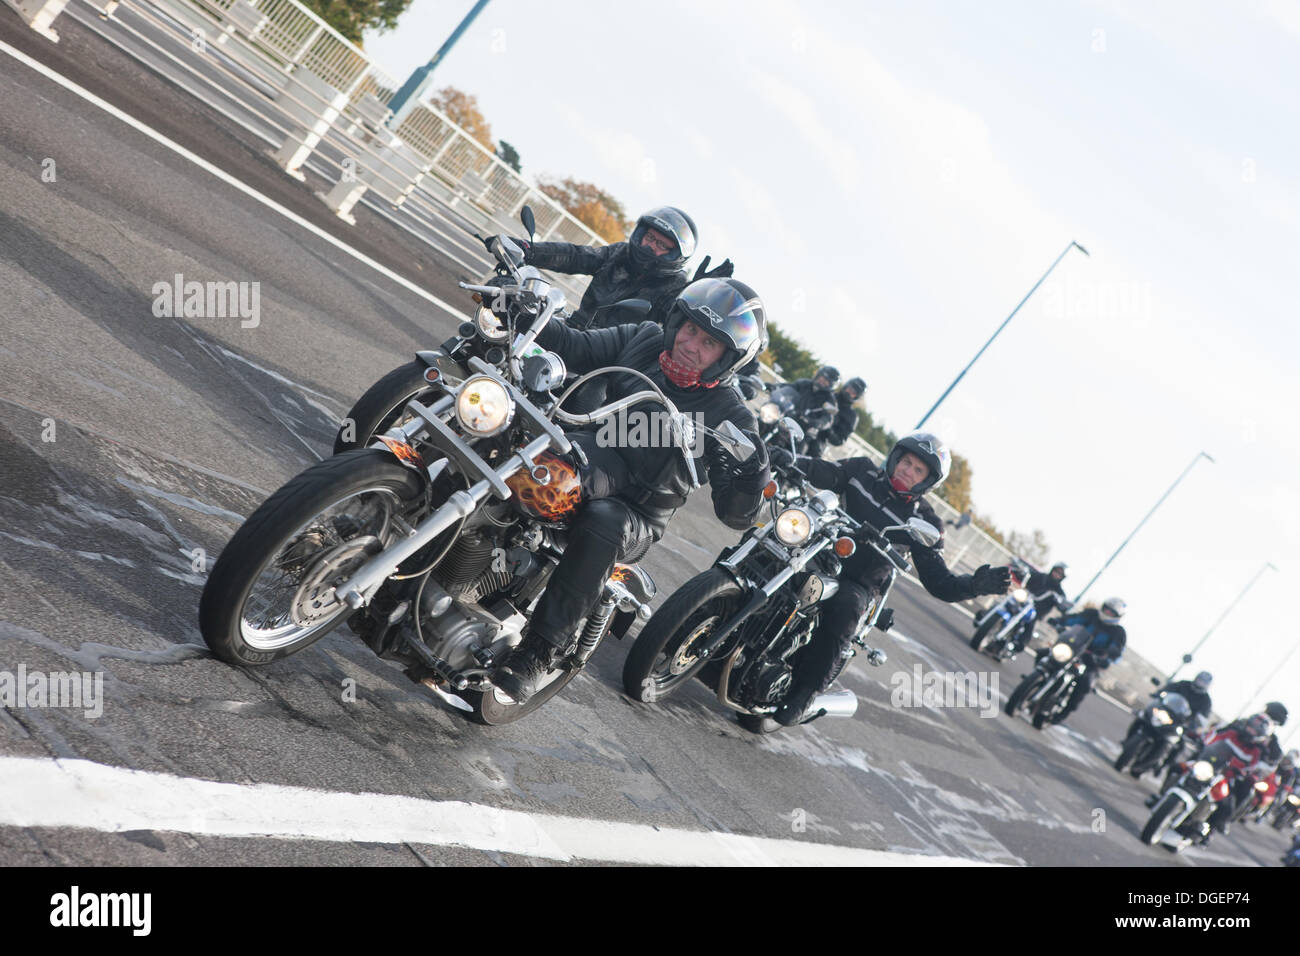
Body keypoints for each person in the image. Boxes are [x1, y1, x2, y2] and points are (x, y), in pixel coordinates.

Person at [492, 278, 771, 704]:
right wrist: (521, 307)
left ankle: (538, 652)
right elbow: (576, 343)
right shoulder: (642, 339)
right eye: (691, 329)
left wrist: (753, 469)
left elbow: (735, 515)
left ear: (726, 359)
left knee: (603, 522)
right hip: (586, 453)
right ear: (677, 321)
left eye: (709, 343)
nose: (690, 344)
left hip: (637, 511)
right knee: (509, 434)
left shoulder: (729, 415)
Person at [767, 433, 1012, 725]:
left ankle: (804, 694)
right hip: (819, 551)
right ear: (895, 458)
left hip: (858, 581)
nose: (908, 470)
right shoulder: (861, 471)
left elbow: (938, 581)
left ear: (927, 481)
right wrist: (788, 459)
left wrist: (973, 585)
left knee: (846, 607)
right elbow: (824, 470)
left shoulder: (925, 521)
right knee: (770, 544)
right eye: (906, 461)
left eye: (918, 470)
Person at [1046, 598, 1128, 721]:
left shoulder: (1119, 633)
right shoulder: (1091, 614)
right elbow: (1074, 618)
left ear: (1118, 616)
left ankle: (1065, 711)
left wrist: (1106, 659)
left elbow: (1117, 652)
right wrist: (1058, 621)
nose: (1108, 613)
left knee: (1085, 683)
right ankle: (1039, 679)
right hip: (1073, 649)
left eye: (1112, 612)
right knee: (1045, 654)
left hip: (1091, 662)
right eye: (1106, 609)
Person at [770, 365, 840, 456]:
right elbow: (789, 387)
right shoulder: (804, 384)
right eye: (822, 377)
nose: (822, 381)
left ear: (831, 385)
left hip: (804, 430)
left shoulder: (830, 400)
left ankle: (787, 467)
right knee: (766, 421)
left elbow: (827, 419)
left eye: (826, 381)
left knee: (797, 452)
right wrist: (774, 387)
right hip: (788, 417)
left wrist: (814, 422)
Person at [1007, 560, 1070, 653]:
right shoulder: (1039, 576)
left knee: (1030, 625)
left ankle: (1019, 645)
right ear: (1052, 570)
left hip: (1036, 612)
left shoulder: (1059, 592)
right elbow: (1026, 576)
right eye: (1056, 571)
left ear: (1063, 577)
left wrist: (1061, 603)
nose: (1057, 574)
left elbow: (1063, 606)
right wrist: (1020, 573)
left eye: (1060, 574)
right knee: (1008, 603)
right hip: (1022, 601)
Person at [806, 376, 866, 458]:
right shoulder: (828, 394)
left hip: (818, 440)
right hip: (804, 424)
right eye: (850, 389)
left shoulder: (851, 416)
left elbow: (840, 440)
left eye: (854, 393)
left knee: (813, 456)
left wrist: (828, 429)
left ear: (856, 397)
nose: (850, 392)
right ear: (846, 386)